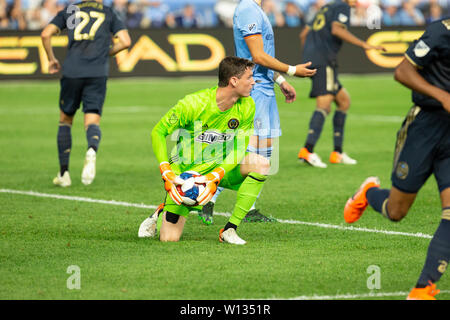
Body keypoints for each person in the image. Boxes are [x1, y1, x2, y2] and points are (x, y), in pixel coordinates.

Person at [343, 18, 450, 300]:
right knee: (396, 212)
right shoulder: (441, 31)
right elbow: (402, 71)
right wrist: (442, 96)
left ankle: (423, 288)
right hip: (424, 128)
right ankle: (369, 193)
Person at [198, 0, 317, 225]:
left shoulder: (256, 9)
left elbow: (261, 58)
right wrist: (292, 71)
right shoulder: (248, 9)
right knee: (249, 154)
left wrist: (280, 80)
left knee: (265, 153)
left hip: (265, 87)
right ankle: (208, 195)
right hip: (253, 89)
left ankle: (249, 207)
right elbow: (257, 56)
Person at [138, 56, 271, 245]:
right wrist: (165, 169)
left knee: (261, 164)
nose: (253, 82)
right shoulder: (193, 103)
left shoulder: (247, 105)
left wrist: (216, 175)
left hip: (220, 169)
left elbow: (240, 146)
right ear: (234, 81)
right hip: (186, 175)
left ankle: (229, 229)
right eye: (249, 78)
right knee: (169, 239)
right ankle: (162, 210)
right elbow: (158, 132)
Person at [41, 0, 131, 187]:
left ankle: (64, 173)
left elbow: (45, 34)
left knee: (65, 120)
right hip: (97, 72)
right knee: (92, 121)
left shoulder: (71, 10)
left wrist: (51, 59)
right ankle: (91, 149)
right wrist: (107, 53)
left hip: (72, 70)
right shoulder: (108, 12)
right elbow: (125, 41)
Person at [297, 0, 385, 168]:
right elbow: (337, 29)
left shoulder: (326, 7)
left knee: (344, 101)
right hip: (325, 60)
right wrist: (363, 44)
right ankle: (307, 150)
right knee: (324, 104)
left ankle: (337, 152)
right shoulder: (342, 7)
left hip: (315, 58)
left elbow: (303, 34)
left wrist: (309, 56)